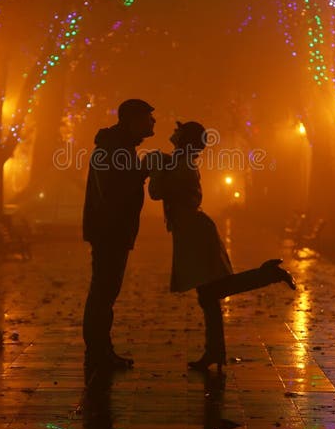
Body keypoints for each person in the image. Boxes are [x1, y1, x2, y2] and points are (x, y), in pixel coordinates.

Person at [148, 121, 296, 373]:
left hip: (194, 231)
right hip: (192, 229)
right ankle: (215, 351)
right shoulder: (180, 159)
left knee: (211, 291)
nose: (172, 132)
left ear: (184, 138)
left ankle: (268, 274)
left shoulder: (181, 162)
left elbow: (155, 191)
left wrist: (154, 167)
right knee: (209, 295)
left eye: (178, 130)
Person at [82, 98, 156, 369]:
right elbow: (112, 192)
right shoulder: (112, 149)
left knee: (106, 292)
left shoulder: (119, 147)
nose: (154, 122)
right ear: (132, 120)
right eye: (149, 118)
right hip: (108, 231)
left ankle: (102, 350)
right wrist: (142, 172)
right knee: (103, 291)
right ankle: (98, 352)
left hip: (113, 230)